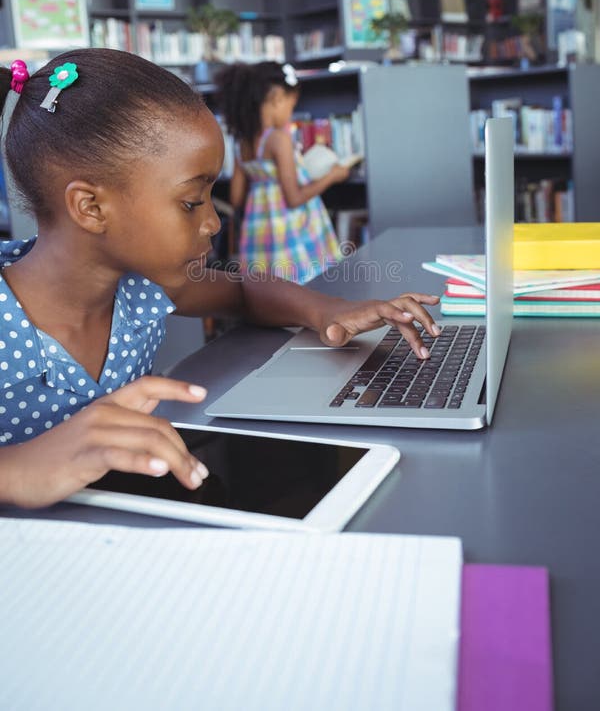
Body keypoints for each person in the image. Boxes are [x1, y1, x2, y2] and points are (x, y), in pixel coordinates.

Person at [0, 49, 440, 509]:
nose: (213, 222)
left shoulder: (143, 288)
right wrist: (15, 470)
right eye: (192, 202)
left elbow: (241, 290)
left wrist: (329, 311)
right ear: (91, 207)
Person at [216, 60, 348, 284]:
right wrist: (331, 177)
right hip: (290, 231)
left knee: (270, 289)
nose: (290, 113)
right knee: (302, 286)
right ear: (277, 99)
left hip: (258, 231)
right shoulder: (278, 139)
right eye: (291, 105)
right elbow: (294, 198)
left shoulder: (242, 142)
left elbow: (236, 198)